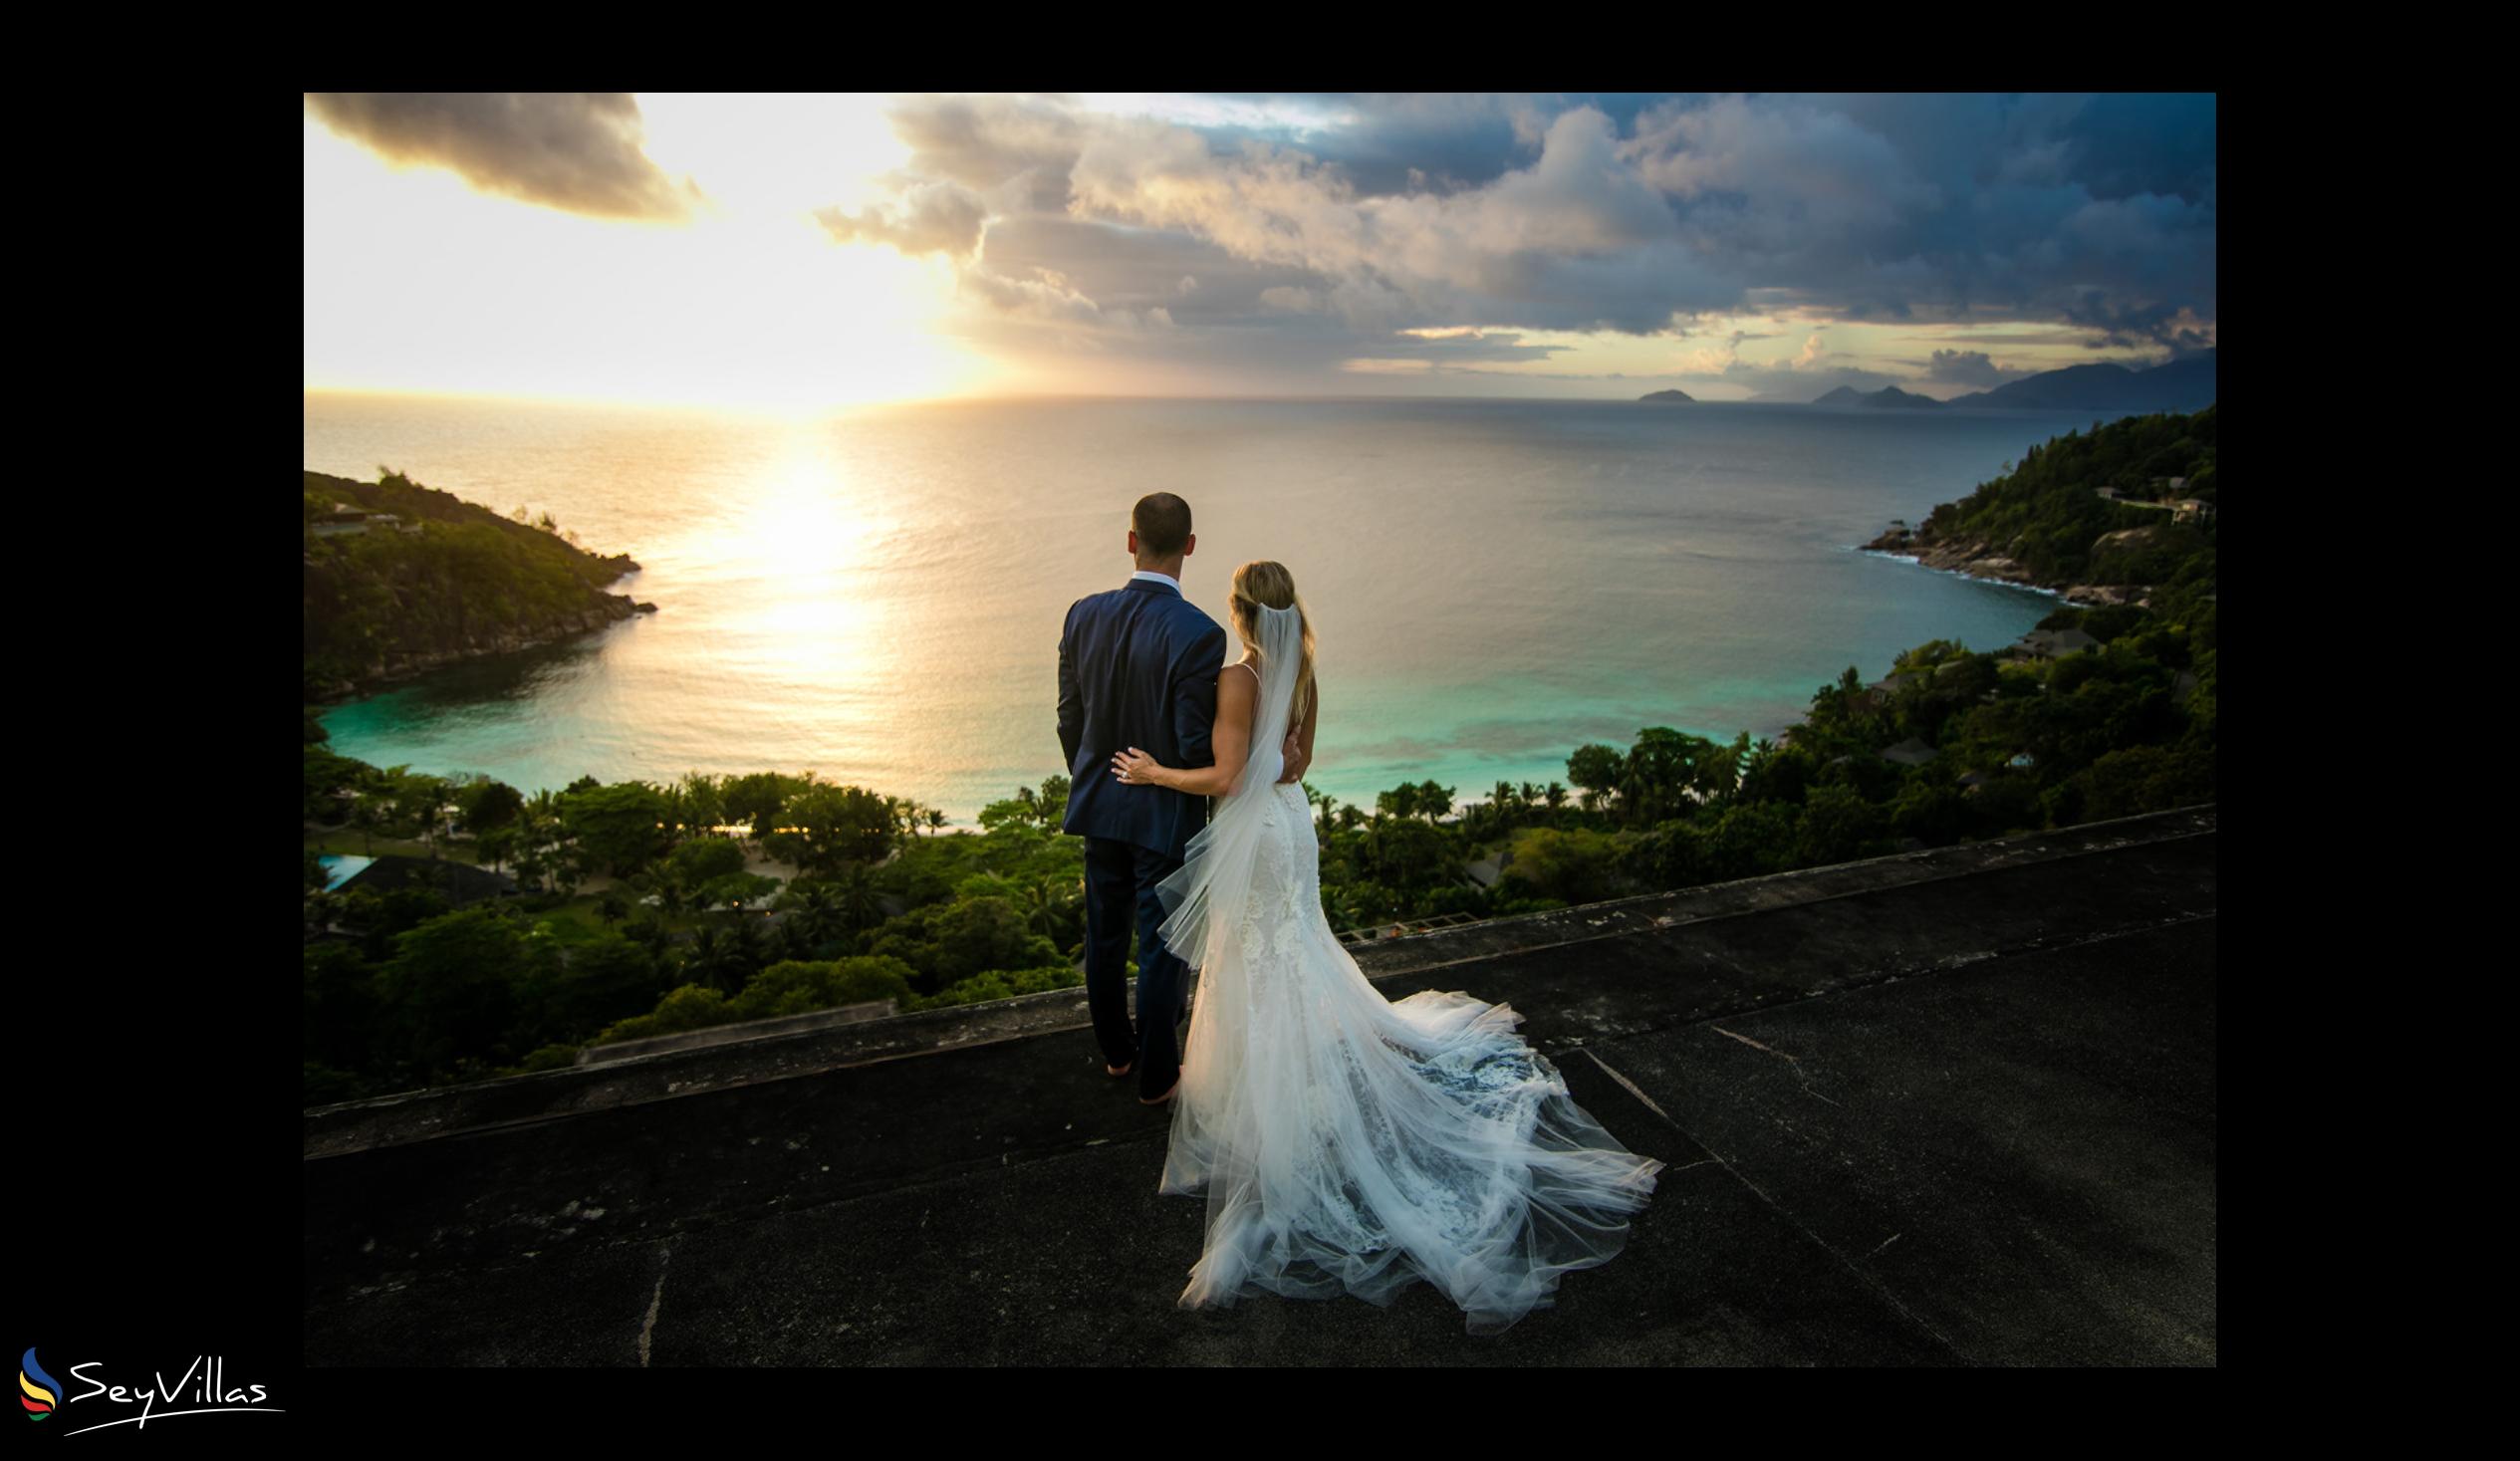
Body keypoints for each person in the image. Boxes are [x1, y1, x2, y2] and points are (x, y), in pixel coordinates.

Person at [1110, 560, 1666, 1336]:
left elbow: (1229, 777)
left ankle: (1271, 1098)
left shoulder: (1240, 679)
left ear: (1238, 612)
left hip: (1256, 832)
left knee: (1258, 960)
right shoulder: (1303, 660)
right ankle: (1292, 1078)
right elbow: (1297, 763)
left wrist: (1154, 770)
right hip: (1292, 821)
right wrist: (1266, 766)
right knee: (1294, 948)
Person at [1056, 493, 1302, 1105]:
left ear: (1130, 539)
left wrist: (1100, 778)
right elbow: (1196, 740)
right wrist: (1169, 777)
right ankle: (1159, 1077)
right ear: (1190, 546)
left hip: (1098, 804)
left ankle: (1117, 1054)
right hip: (1165, 814)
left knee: (1104, 939)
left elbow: (1069, 718)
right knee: (1162, 947)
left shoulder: (1081, 614)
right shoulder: (1199, 633)